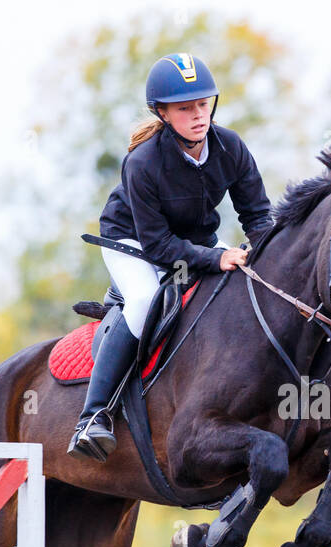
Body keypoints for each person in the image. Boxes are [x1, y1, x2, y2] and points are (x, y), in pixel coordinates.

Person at [69, 52, 275, 460]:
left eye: (203, 104)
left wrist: (268, 257)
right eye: (185, 108)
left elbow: (257, 216)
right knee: (145, 300)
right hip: (133, 243)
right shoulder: (142, 163)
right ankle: (93, 417)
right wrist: (217, 259)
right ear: (162, 113)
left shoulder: (229, 146)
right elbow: (159, 246)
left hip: (195, 240)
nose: (199, 115)